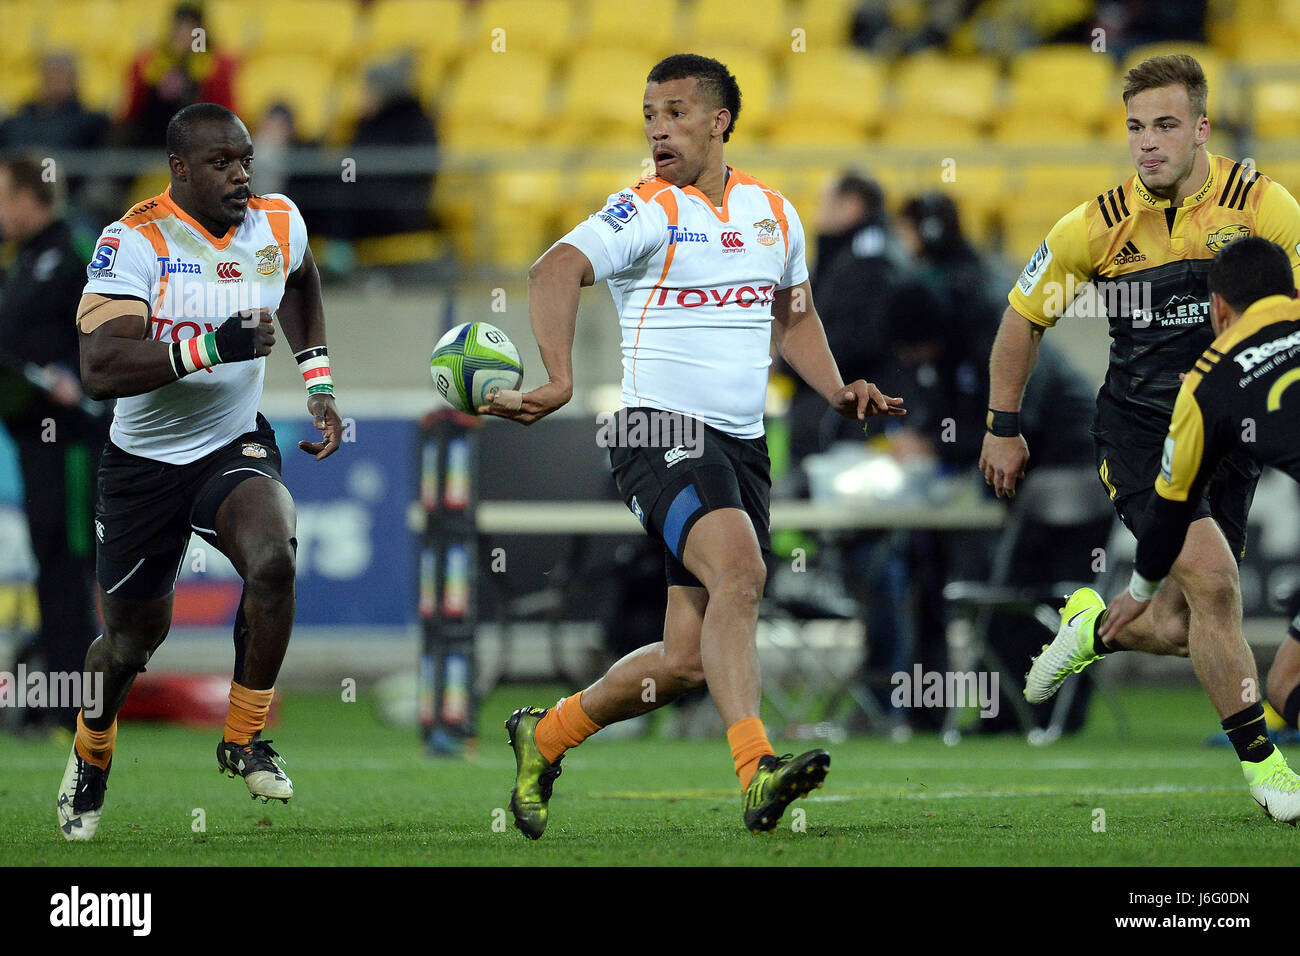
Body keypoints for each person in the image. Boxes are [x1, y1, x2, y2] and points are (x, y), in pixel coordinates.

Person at [481, 53, 906, 836]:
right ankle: (756, 771)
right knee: (742, 570)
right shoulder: (644, 210)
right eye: (649, 114)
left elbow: (796, 316)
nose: (658, 129)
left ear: (720, 121)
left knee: (682, 661)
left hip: (743, 446)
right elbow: (554, 270)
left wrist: (837, 389)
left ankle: (544, 736)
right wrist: (560, 379)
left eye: (675, 112)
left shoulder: (774, 215)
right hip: (657, 431)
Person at [979, 54, 1300, 821]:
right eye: (1134, 128)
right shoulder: (1094, 227)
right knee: (1216, 586)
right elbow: (1023, 319)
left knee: (1186, 621)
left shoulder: (1264, 210)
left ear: (1201, 128)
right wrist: (1001, 425)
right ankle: (1265, 768)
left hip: (1229, 440)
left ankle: (1094, 627)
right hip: (1137, 436)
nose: (1147, 143)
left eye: (1164, 126)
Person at [56, 102, 344, 841]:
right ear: (179, 168)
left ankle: (243, 737)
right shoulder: (134, 240)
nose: (241, 175)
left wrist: (317, 380)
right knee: (129, 644)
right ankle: (92, 748)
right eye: (222, 162)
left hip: (229, 445)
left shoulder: (278, 222)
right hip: (143, 463)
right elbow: (99, 366)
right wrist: (209, 348)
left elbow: (303, 280)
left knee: (274, 559)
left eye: (246, 159)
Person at [1102, 237, 1300, 819]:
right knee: (1286, 681)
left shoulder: (1207, 383)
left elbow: (1170, 507)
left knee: (1285, 687)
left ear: (1218, 307)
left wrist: (1138, 591)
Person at [0, 156, 108, 733]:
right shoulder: (21, 259)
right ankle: (54, 699)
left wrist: (76, 373)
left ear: (27, 197)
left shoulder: (77, 244)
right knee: (50, 565)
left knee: (70, 564)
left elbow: (118, 312)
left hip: (73, 440)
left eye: (2, 196)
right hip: (33, 437)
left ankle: (79, 705)